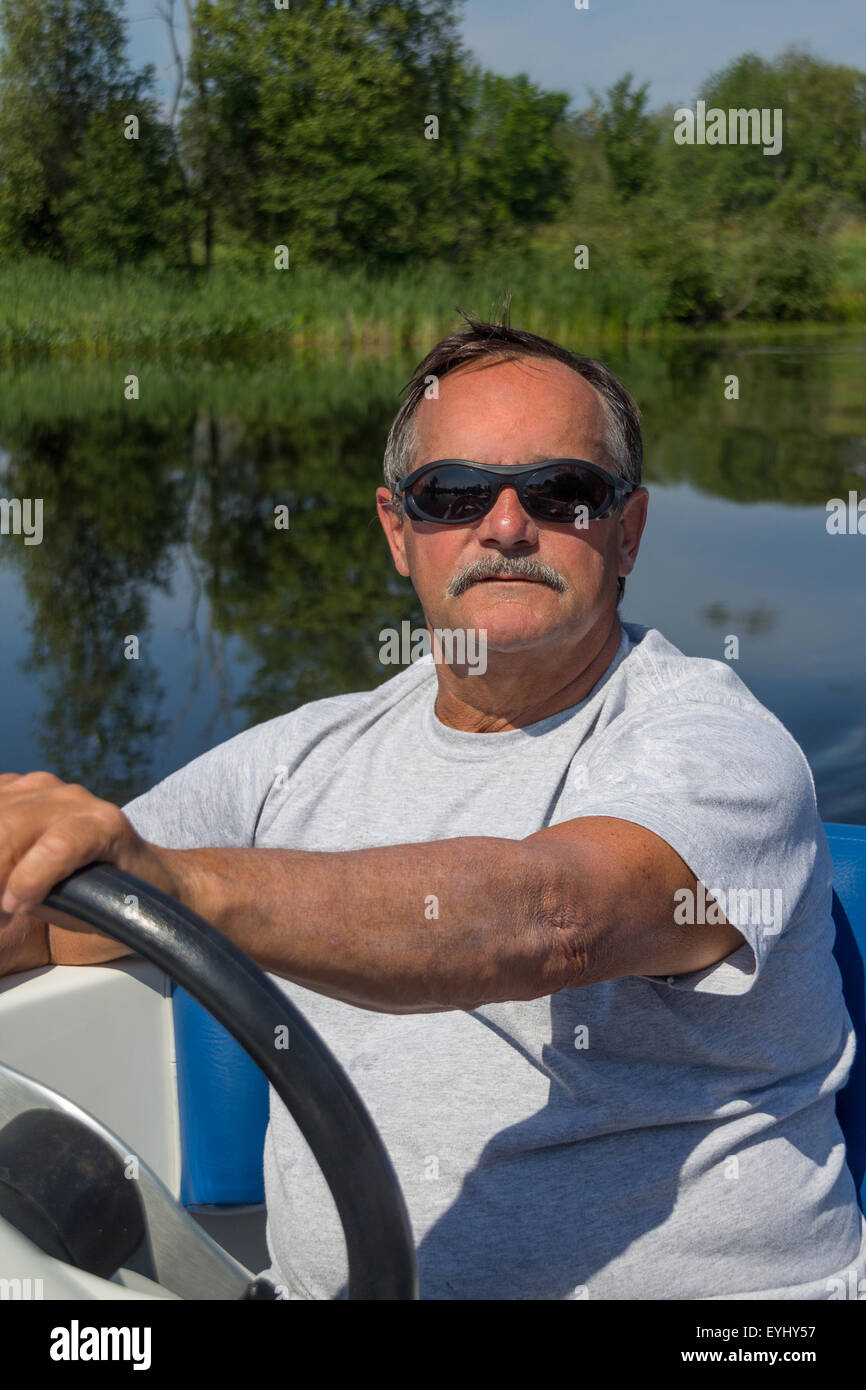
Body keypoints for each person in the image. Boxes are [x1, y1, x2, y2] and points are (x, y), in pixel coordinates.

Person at [1, 317, 863, 1300]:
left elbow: (554, 920)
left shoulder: (714, 744)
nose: (504, 525)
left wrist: (186, 886)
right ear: (396, 531)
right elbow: (55, 912)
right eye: (452, 493)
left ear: (624, 532)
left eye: (561, 492)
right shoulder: (296, 759)